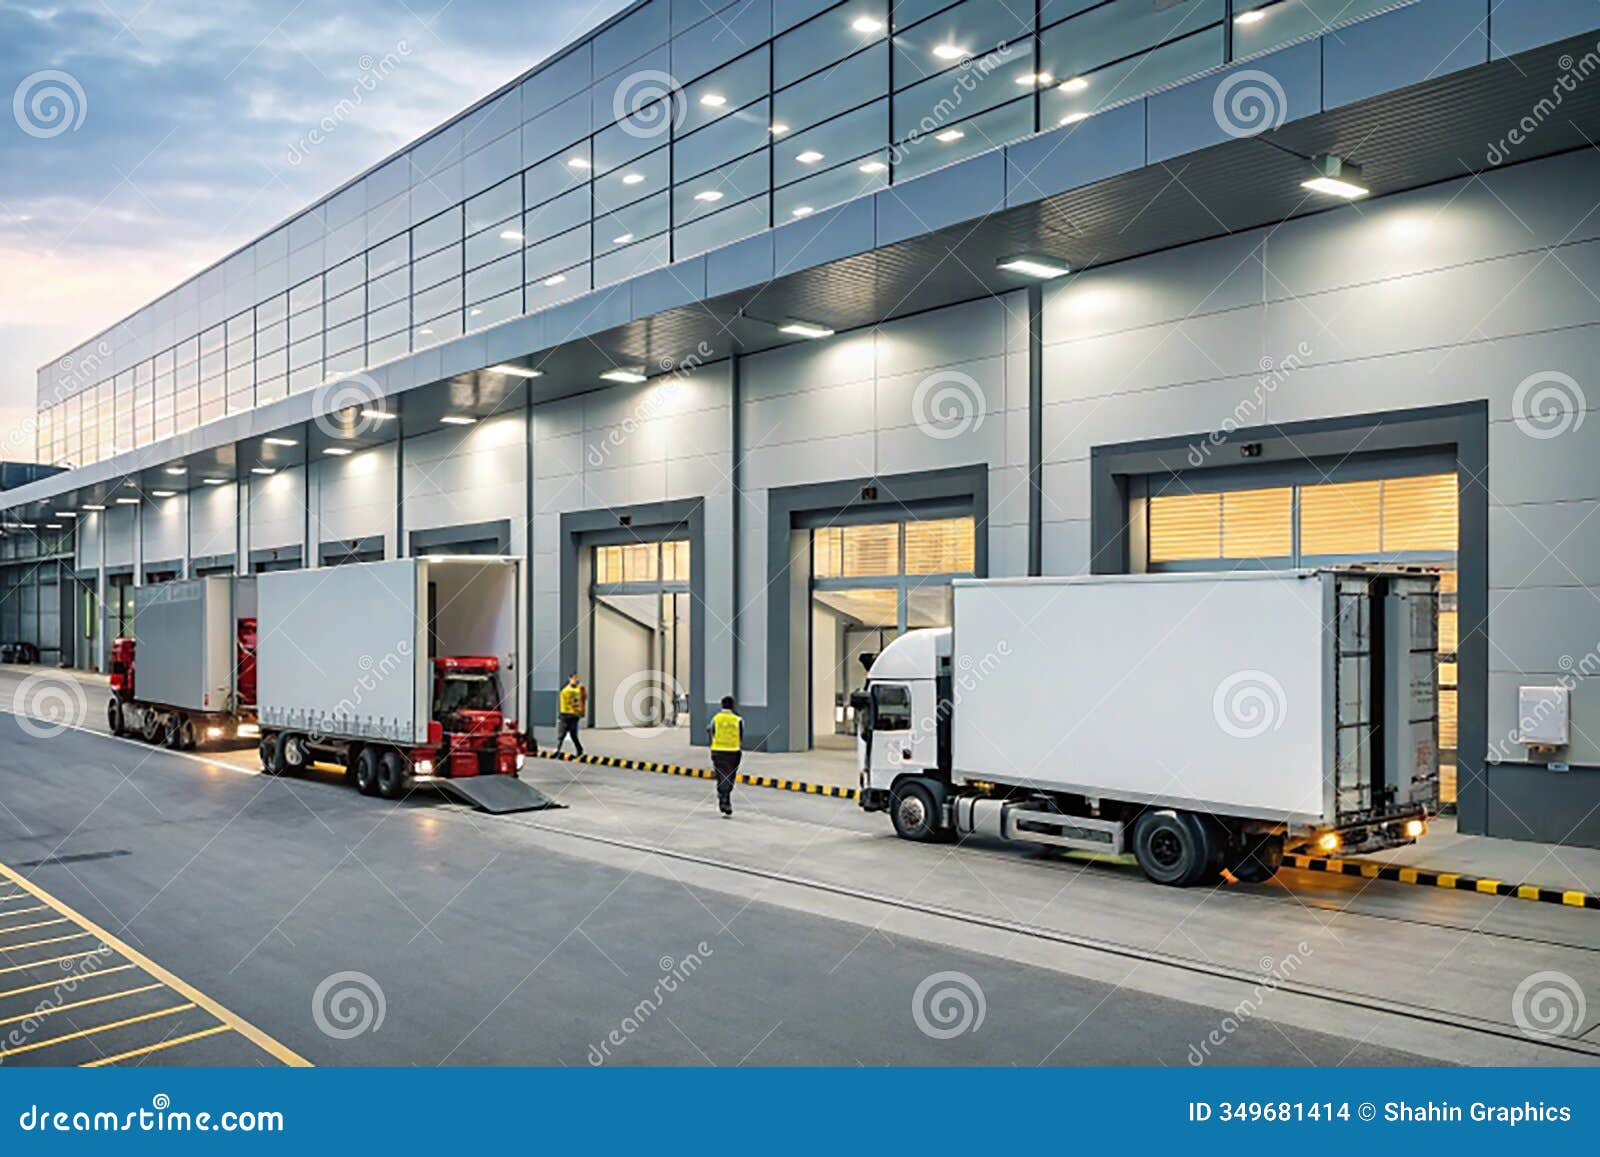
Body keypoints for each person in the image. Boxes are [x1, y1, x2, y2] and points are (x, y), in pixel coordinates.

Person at [707, 695, 743, 817]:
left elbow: (711, 732)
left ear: (722, 705)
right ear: (733, 706)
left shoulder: (716, 719)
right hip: (734, 752)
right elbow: (741, 735)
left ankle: (723, 797)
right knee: (730, 776)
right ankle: (725, 799)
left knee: (721, 775)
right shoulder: (738, 720)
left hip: (718, 751)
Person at [554, 673, 587, 757]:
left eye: (577, 679)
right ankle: (558, 750)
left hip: (573, 715)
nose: (576, 680)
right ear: (570, 678)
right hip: (566, 714)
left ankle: (578, 750)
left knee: (572, 734)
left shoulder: (575, 690)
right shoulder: (566, 690)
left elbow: (582, 701)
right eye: (574, 678)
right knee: (562, 734)